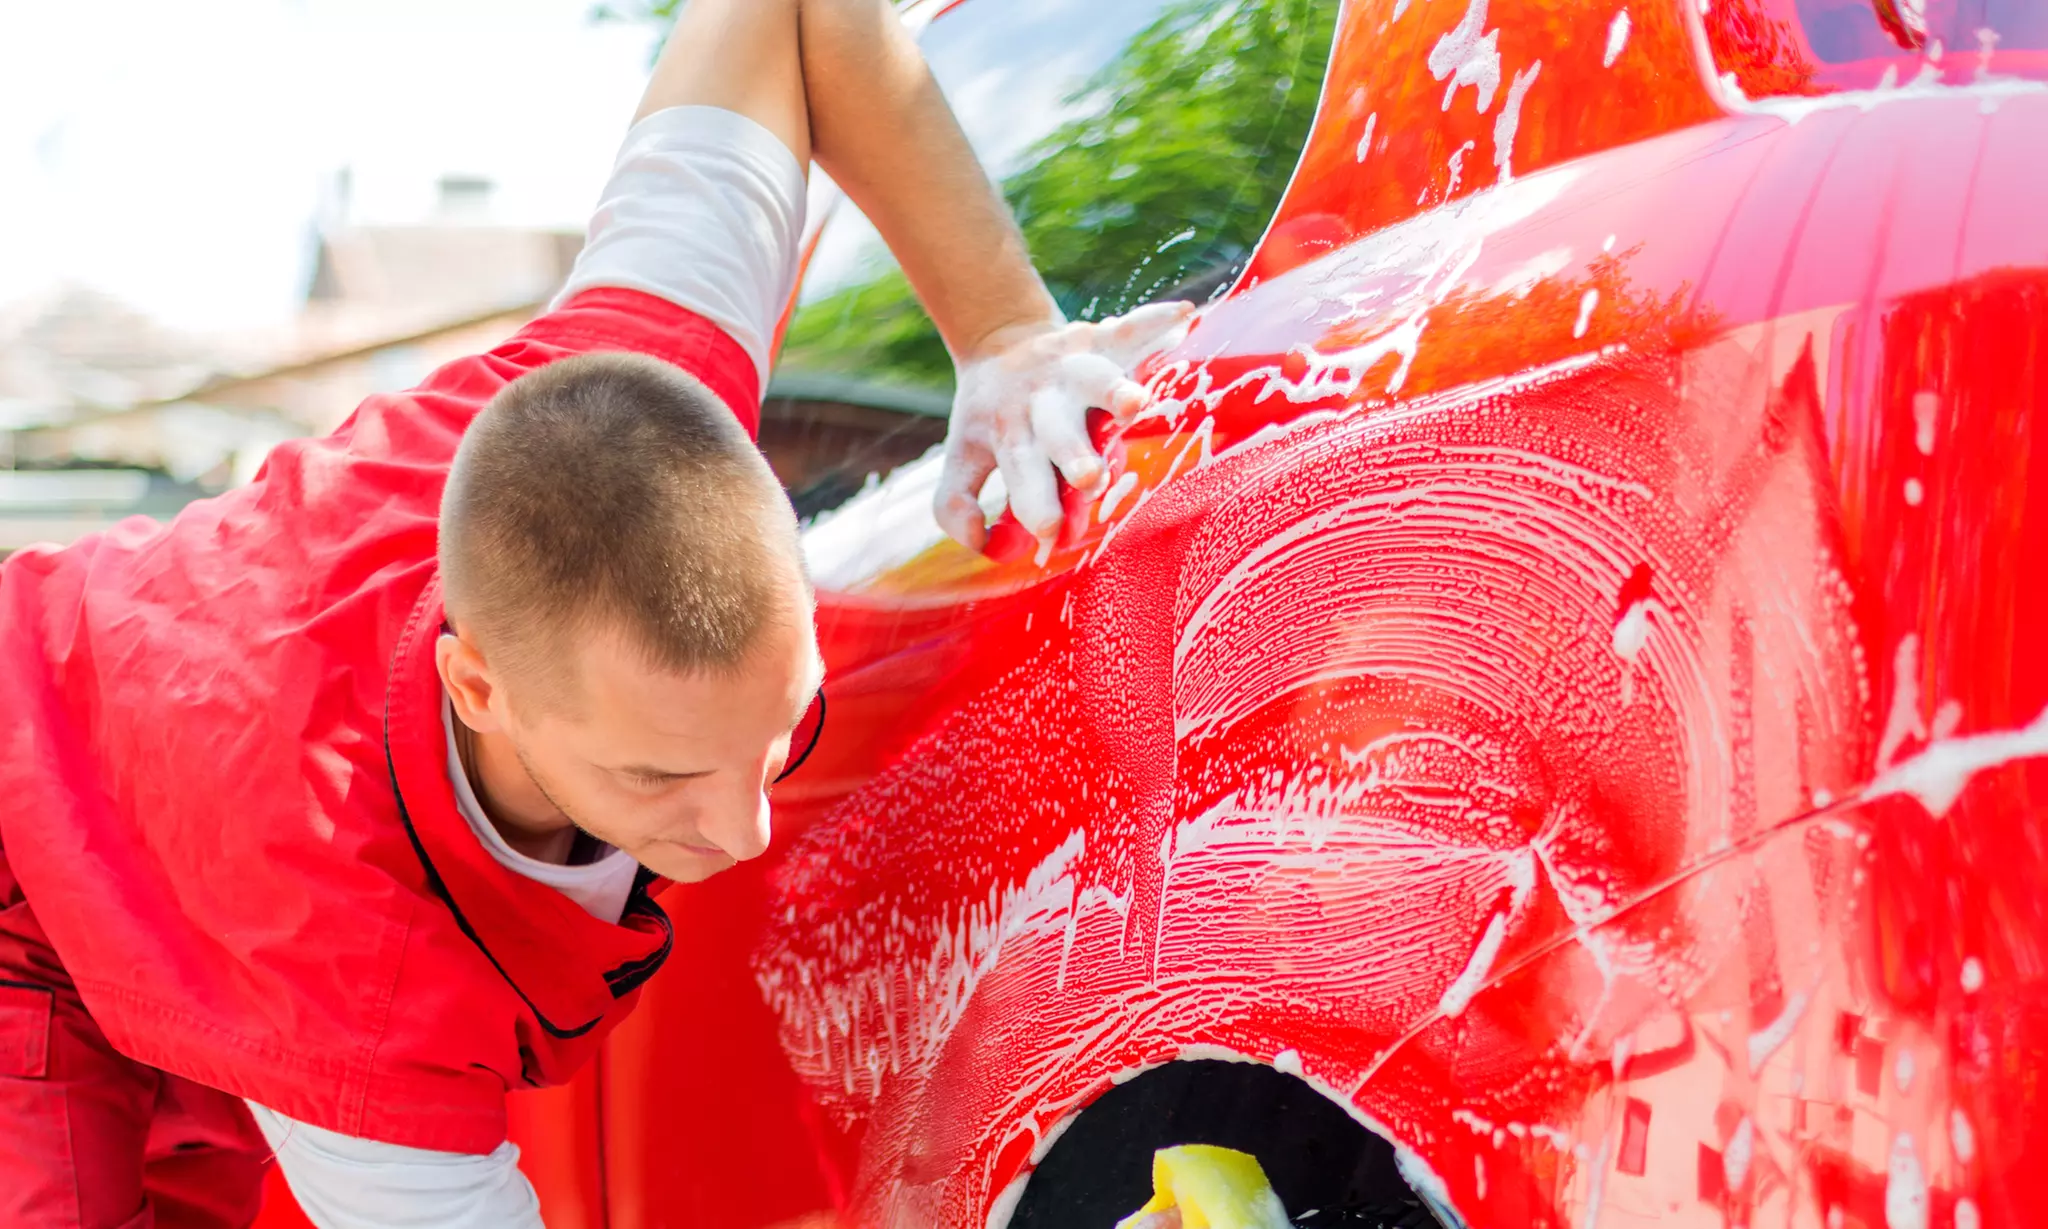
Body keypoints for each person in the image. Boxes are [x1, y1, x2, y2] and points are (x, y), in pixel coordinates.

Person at [0, 0, 1192, 1224]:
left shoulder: (643, 375)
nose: (737, 831)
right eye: (661, 774)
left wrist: (999, 328)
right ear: (481, 689)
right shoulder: (355, 964)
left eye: (773, 740)